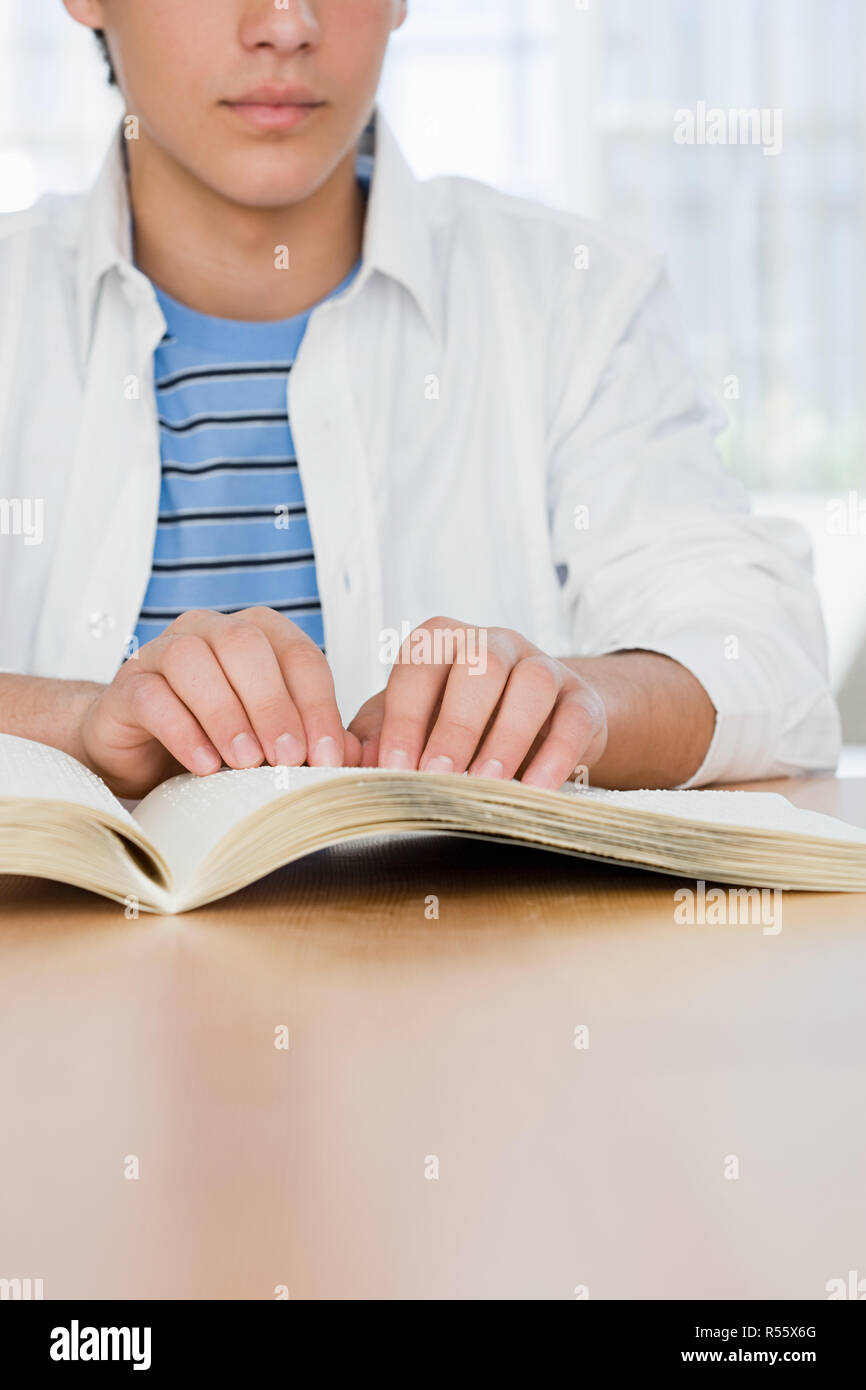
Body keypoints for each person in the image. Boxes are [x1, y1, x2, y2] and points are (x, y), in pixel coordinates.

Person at [0, 0, 839, 800]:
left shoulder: (575, 298)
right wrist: (79, 726)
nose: (287, 25)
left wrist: (577, 705)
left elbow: (766, 663)